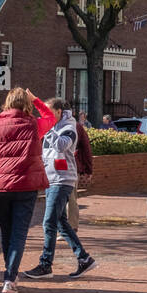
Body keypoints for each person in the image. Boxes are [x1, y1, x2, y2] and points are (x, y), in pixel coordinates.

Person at [0, 88, 55, 293]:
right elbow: (50, 117)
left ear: (7, 102)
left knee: (6, 232)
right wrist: (36, 100)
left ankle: (10, 273)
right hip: (26, 187)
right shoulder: (33, 124)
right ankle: (10, 278)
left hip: (1, 186)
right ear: (26, 103)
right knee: (19, 234)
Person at [24, 98, 95, 279]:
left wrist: (48, 130)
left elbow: (62, 146)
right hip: (52, 179)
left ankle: (45, 265)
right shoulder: (54, 126)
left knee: (49, 222)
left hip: (62, 180)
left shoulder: (69, 127)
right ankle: (84, 258)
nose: (45, 115)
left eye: (49, 112)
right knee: (61, 223)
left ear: (59, 111)